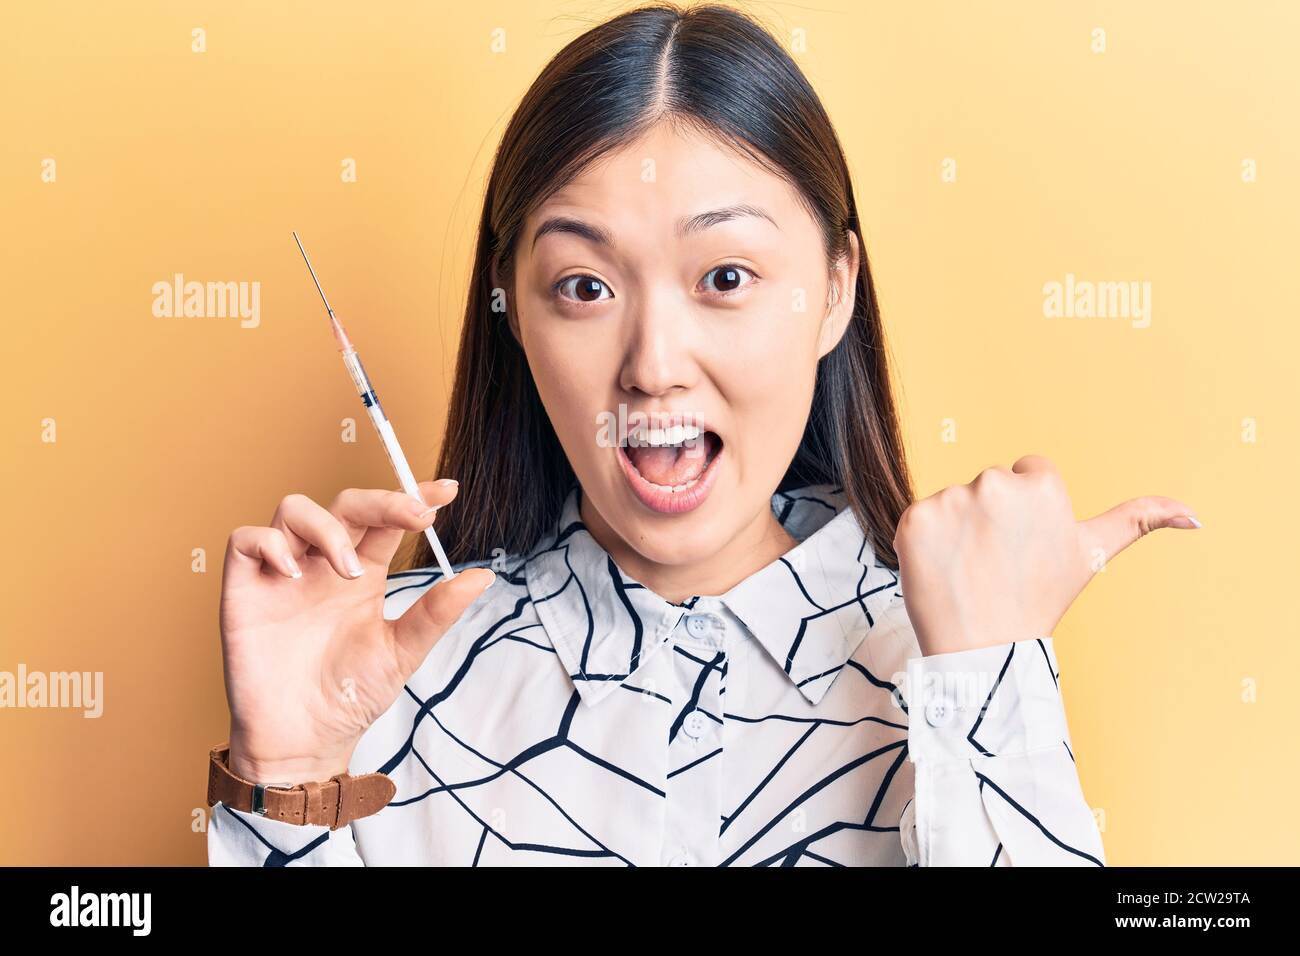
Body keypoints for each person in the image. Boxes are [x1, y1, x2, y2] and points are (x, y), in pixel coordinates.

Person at [206, 2, 1198, 866]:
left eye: (724, 277)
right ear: (512, 307)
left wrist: (987, 680)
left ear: (835, 289)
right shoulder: (385, 666)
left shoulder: (957, 652)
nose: (653, 362)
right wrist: (285, 777)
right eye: (584, 286)